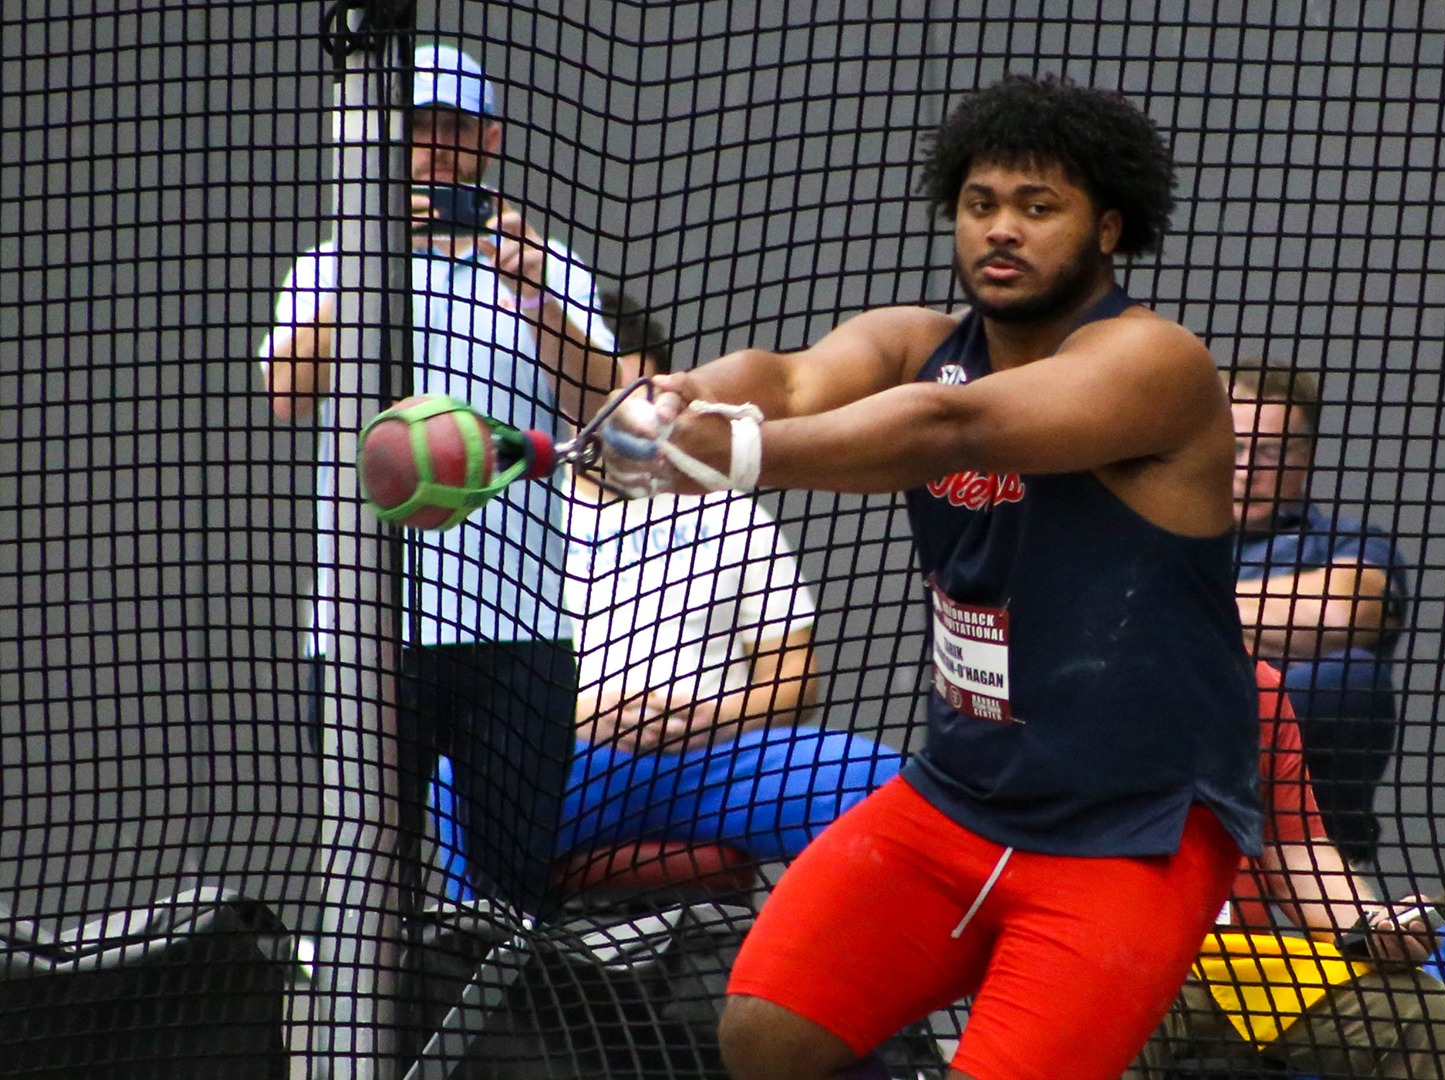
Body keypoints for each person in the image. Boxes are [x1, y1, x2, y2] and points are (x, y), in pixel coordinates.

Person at [596, 76, 1270, 1080]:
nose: (1002, 230)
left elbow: (947, 426)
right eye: (980, 204)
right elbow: (784, 377)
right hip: (954, 801)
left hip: (1130, 835)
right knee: (767, 1035)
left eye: (1039, 208)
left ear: (1107, 230)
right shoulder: (914, 341)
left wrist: (722, 453)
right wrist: (674, 398)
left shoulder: (1153, 362)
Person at [257, 43, 622, 911]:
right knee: (368, 876)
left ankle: (500, 1042)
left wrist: (531, 286)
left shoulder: (547, 263)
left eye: (453, 130)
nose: (434, 152)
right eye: (416, 132)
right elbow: (285, 393)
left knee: (512, 878)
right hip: (365, 629)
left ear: (490, 140)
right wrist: (367, 256)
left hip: (518, 622)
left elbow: (603, 405)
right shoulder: (333, 260)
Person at [429, 302, 902, 897]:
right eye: (603, 401)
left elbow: (795, 677)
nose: (624, 425)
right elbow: (473, 689)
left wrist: (716, 720)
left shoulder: (728, 507)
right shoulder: (511, 521)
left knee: (886, 787)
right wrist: (575, 716)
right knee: (457, 784)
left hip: (721, 761)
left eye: (640, 405)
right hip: (571, 760)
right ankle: (476, 944)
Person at [1126, 659, 1445, 1080]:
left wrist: (1373, 925)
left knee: (1419, 1012)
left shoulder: (1250, 683)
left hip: (1240, 965)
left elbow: (1294, 845)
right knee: (1108, 1026)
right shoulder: (1052, 674)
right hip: (1116, 961)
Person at [1229, 364, 1414, 866]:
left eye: (1270, 450)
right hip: (1178, 776)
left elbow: (1338, 612)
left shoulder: (1349, 544)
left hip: (1302, 814)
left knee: (1345, 674)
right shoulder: (1159, 538)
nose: (1248, 469)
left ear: (1304, 456)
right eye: (1235, 447)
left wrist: (1174, 608)